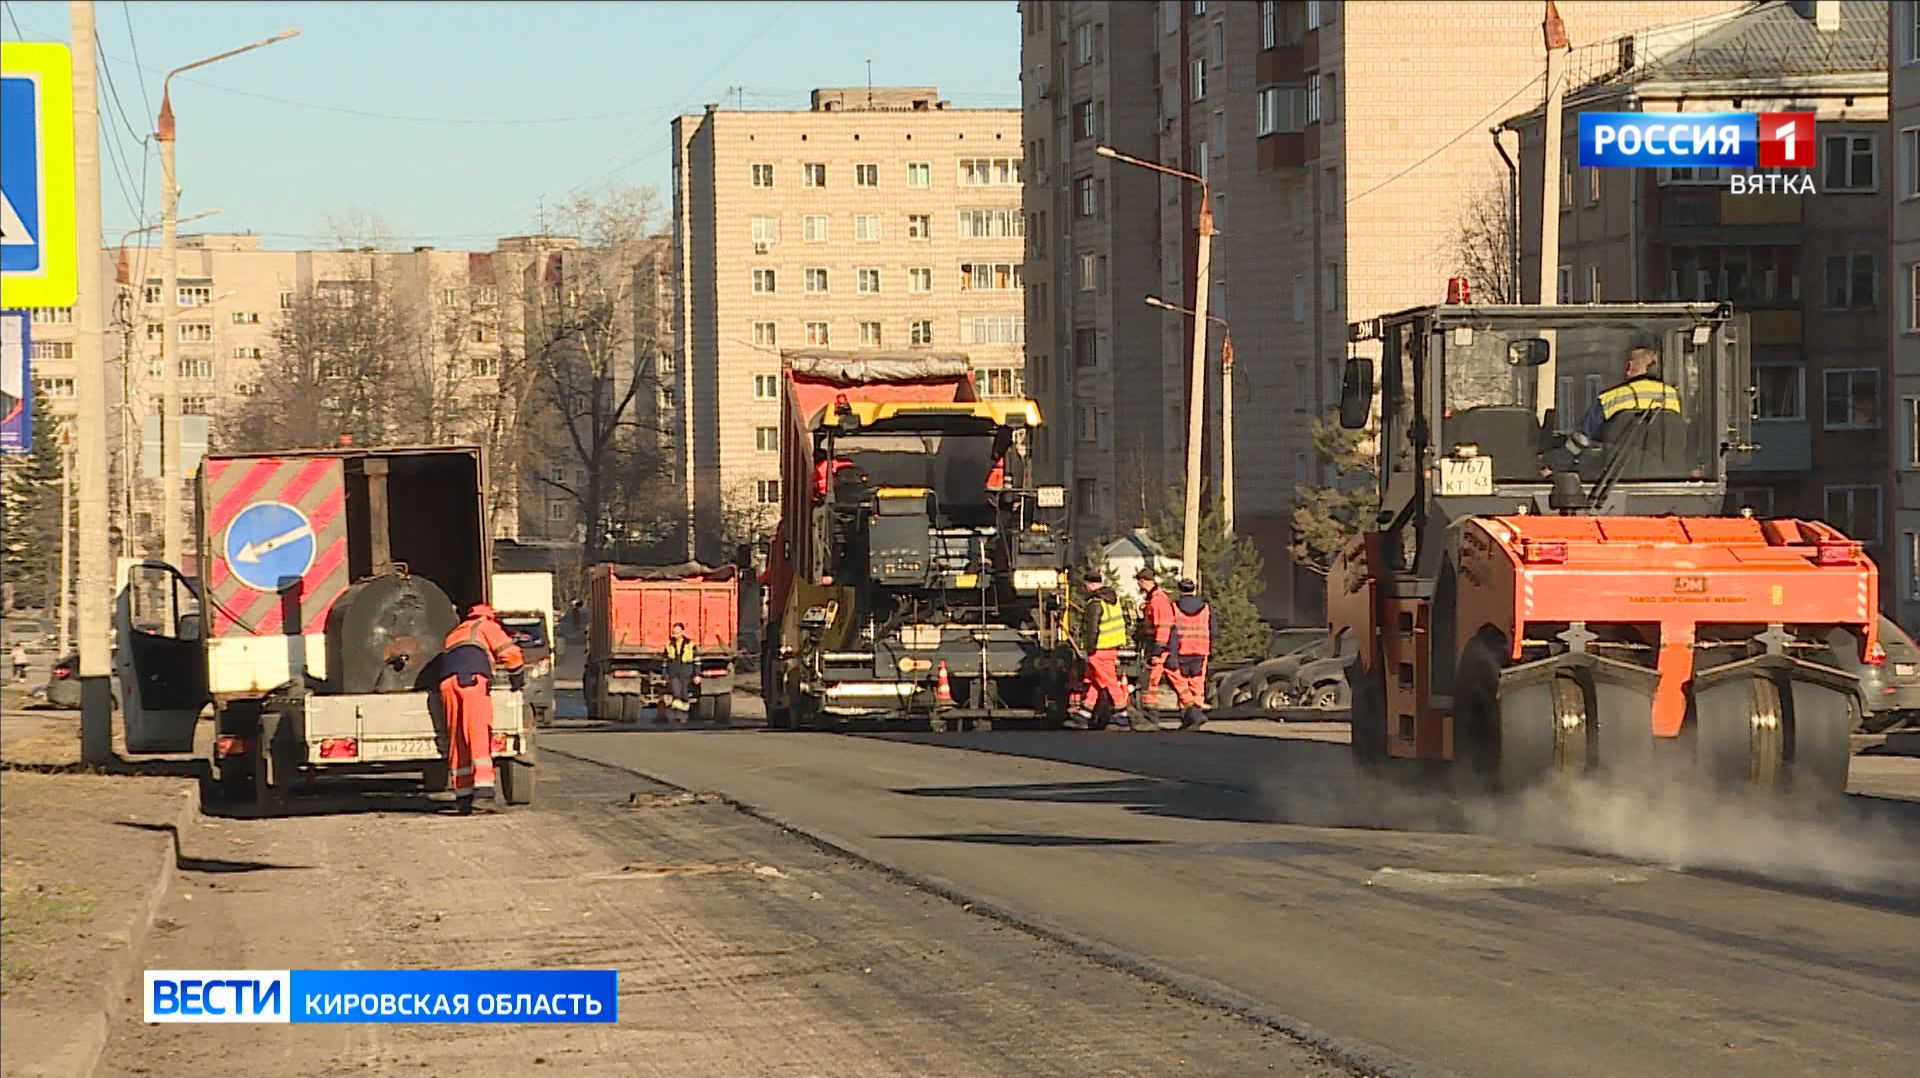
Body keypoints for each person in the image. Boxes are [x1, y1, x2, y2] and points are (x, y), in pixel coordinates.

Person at [438, 603, 526, 815]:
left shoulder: (456, 632)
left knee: (457, 738)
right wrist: (517, 675)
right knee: (477, 733)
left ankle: (463, 796)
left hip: (447, 683)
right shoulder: (486, 626)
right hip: (471, 680)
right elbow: (510, 653)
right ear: (490, 616)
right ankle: (484, 794)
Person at [1065, 570, 1152, 731]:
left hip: (1099, 649)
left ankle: (1122, 715)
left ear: (1090, 585)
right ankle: (1083, 716)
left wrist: (1089, 650)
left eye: (1086, 586)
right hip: (1112, 647)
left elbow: (1092, 629)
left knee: (1109, 682)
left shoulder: (1095, 604)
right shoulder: (1113, 600)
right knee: (1094, 682)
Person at [1581, 335, 1680, 441]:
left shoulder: (1610, 400)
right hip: (1671, 458)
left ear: (1629, 366)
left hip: (1620, 457)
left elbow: (1583, 438)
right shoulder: (1672, 396)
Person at [1165, 579, 1215, 730]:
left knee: (1181, 682)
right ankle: (1194, 714)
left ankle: (1188, 714)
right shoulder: (1206, 608)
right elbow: (1214, 630)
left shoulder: (1174, 608)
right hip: (1200, 650)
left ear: (1180, 590)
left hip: (1181, 650)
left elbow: (1171, 632)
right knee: (1197, 684)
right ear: (1194, 590)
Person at [1133, 567, 1175, 714]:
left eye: (1139, 582)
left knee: (1150, 682)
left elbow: (1163, 626)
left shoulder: (1158, 600)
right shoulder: (1153, 599)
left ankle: (1152, 717)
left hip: (1158, 645)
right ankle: (1192, 713)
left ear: (1143, 581)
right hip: (1157, 644)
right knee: (1175, 681)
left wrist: (1158, 648)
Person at [659, 622, 698, 723]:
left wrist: (697, 675)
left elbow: (697, 660)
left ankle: (684, 715)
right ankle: (677, 715)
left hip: (686, 672)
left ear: (682, 632)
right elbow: (665, 662)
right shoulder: (669, 645)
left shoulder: (690, 644)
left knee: (684, 693)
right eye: (673, 633)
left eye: (677, 633)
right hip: (674, 673)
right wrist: (664, 676)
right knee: (676, 693)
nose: (674, 635)